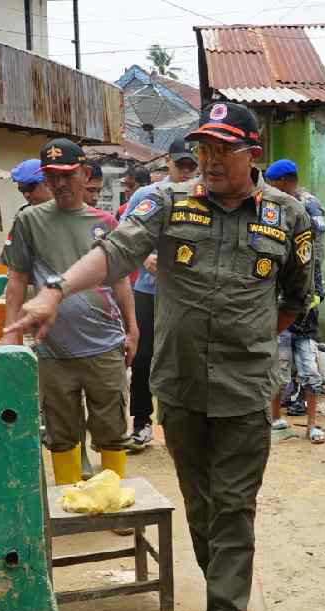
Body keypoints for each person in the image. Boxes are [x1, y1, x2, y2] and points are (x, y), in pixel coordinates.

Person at [4, 102, 314, 611]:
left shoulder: (290, 217)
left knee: (233, 509)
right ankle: (226, 600)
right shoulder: (167, 203)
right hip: (179, 388)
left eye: (225, 148)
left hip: (246, 392)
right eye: (204, 147)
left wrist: (246, 342)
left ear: (253, 151)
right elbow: (116, 252)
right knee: (201, 511)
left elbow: (295, 300)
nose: (212, 159)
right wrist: (54, 291)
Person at [0, 138, 139, 486]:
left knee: (111, 427)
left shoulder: (105, 221)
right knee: (61, 431)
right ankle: (67, 502)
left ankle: (112, 501)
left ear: (84, 174)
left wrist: (133, 328)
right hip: (53, 348)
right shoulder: (29, 221)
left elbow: (119, 280)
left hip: (105, 344)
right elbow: (16, 280)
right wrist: (10, 332)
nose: (59, 183)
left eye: (66, 174)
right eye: (51, 176)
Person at [121, 138, 200, 450]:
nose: (185, 171)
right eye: (180, 165)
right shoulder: (147, 194)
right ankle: (141, 423)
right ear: (168, 162)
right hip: (148, 291)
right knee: (142, 358)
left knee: (184, 359)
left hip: (186, 295)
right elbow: (126, 238)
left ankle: (177, 425)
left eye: (190, 166)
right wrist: (144, 258)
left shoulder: (201, 197)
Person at [264, 158, 325, 444]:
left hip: (304, 301)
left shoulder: (308, 208)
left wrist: (313, 292)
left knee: (308, 368)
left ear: (287, 182)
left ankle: (311, 424)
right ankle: (276, 418)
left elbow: (312, 256)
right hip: (278, 297)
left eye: (275, 185)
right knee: (278, 365)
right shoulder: (273, 206)